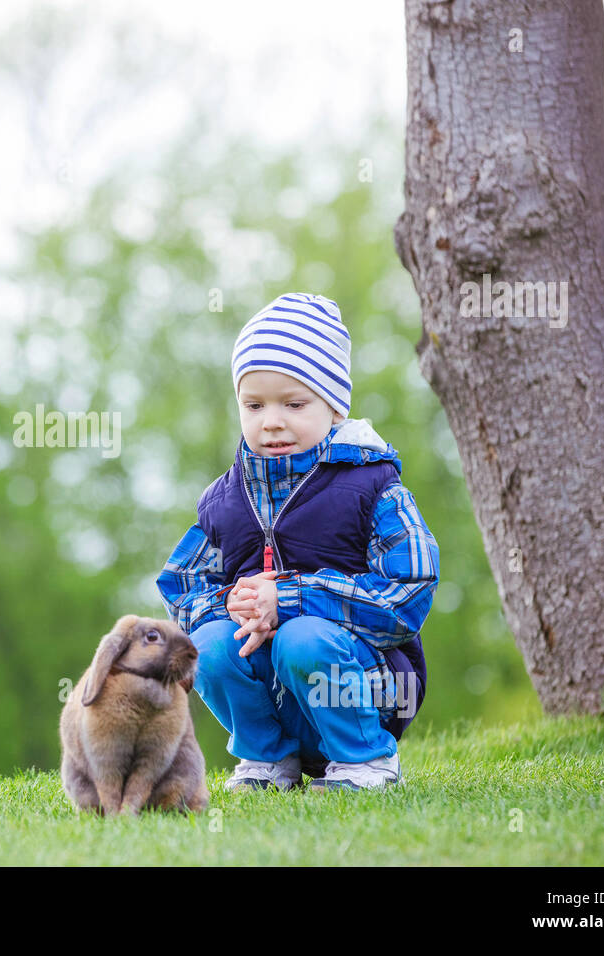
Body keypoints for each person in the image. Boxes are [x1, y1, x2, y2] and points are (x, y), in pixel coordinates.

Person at [156, 292, 439, 792]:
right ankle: (269, 760)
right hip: (276, 695)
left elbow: (409, 589)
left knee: (301, 636)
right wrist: (232, 604)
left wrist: (288, 600)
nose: (271, 421)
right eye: (254, 404)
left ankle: (365, 761)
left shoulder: (371, 484)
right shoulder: (226, 499)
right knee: (208, 647)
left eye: (293, 403)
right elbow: (181, 581)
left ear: (333, 407)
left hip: (366, 686)